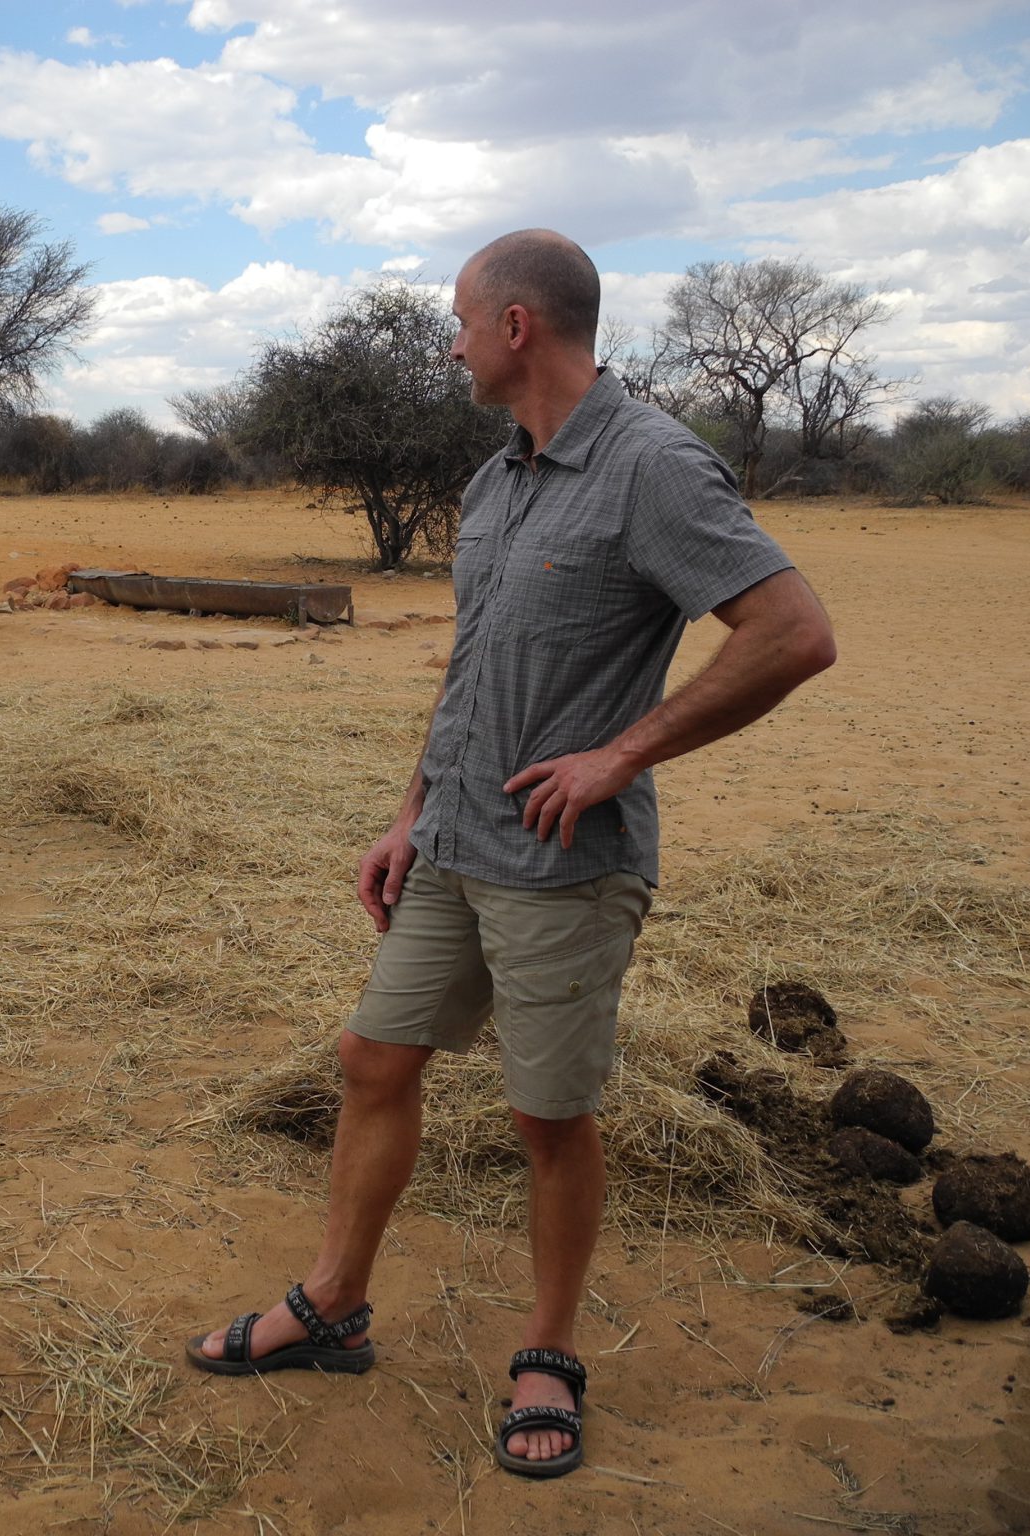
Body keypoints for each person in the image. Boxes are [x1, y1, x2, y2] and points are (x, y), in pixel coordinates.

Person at [185, 230, 837, 1479]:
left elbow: (792, 634)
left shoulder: (650, 466)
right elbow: (471, 667)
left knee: (547, 1118)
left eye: (460, 322)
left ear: (517, 327)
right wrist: (405, 815)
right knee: (371, 1057)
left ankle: (547, 1352)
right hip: (450, 844)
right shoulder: (493, 485)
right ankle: (332, 1307)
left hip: (562, 866)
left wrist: (620, 756)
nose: (451, 343)